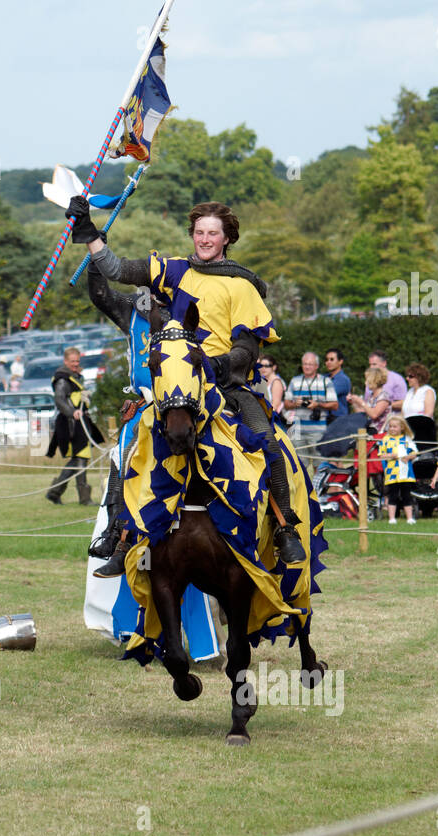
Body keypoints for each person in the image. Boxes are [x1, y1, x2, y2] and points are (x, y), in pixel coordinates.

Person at [73, 195, 310, 563]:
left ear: (226, 237)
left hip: (224, 385)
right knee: (130, 443)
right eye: (199, 232)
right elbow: (116, 269)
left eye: (212, 233)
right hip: (177, 385)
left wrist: (217, 365)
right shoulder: (172, 269)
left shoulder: (242, 286)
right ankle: (120, 535)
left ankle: (284, 529)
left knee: (266, 439)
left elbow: (247, 350)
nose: (204, 239)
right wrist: (88, 231)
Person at [84, 258, 167, 576]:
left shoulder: (188, 311)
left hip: (186, 401)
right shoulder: (132, 312)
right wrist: (94, 261)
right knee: (121, 457)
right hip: (145, 406)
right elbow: (101, 295)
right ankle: (118, 539)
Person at [45, 346, 100, 505]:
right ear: (65, 361)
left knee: (79, 459)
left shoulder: (75, 376)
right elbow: (59, 400)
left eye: (77, 361)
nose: (75, 364)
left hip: (80, 423)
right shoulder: (62, 379)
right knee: (80, 458)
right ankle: (82, 498)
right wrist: (72, 412)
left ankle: (56, 493)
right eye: (72, 361)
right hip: (71, 424)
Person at [283, 352, 338, 471]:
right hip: (297, 430)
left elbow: (335, 405)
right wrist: (295, 403)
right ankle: (303, 489)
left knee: (320, 464)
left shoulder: (325, 382)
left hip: (318, 430)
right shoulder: (295, 381)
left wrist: (317, 404)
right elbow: (286, 404)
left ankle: (319, 488)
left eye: (310, 364)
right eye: (305, 364)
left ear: (316, 366)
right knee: (298, 464)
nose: (307, 367)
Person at [378, 415, 419, 523]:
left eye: (395, 427)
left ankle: (409, 518)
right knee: (393, 495)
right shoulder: (385, 440)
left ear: (402, 427)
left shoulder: (407, 439)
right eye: (390, 426)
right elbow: (381, 455)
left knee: (406, 496)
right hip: (392, 474)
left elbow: (415, 453)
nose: (392, 429)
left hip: (406, 473)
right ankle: (392, 518)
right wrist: (391, 455)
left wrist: (408, 457)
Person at [401, 363, 437, 445]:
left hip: (422, 432)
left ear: (418, 377)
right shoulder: (409, 392)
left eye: (410, 376)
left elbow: (428, 413)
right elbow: (404, 412)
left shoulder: (428, 391)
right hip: (408, 431)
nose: (407, 378)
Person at [349, 367, 391, 434]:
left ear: (373, 380)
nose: (365, 382)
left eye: (367, 380)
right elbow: (363, 413)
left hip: (379, 433)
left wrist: (361, 402)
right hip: (368, 430)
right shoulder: (371, 396)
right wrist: (354, 403)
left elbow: (374, 414)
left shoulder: (384, 396)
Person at [324, 349, 351, 424]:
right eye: (326, 360)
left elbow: (325, 394)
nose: (328, 362)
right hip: (325, 419)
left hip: (338, 420)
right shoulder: (324, 377)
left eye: (332, 359)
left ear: (340, 361)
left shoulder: (343, 380)